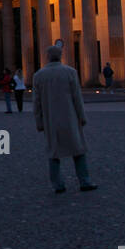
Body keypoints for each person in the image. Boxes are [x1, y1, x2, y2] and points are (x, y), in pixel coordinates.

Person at [33, 44, 96, 193]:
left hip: (50, 120)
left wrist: (39, 122)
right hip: (70, 117)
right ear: (60, 56)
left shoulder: (39, 75)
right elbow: (77, 98)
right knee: (78, 150)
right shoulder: (70, 72)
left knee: (53, 153)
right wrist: (82, 117)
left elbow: (37, 103)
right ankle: (84, 181)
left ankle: (58, 185)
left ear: (47, 57)